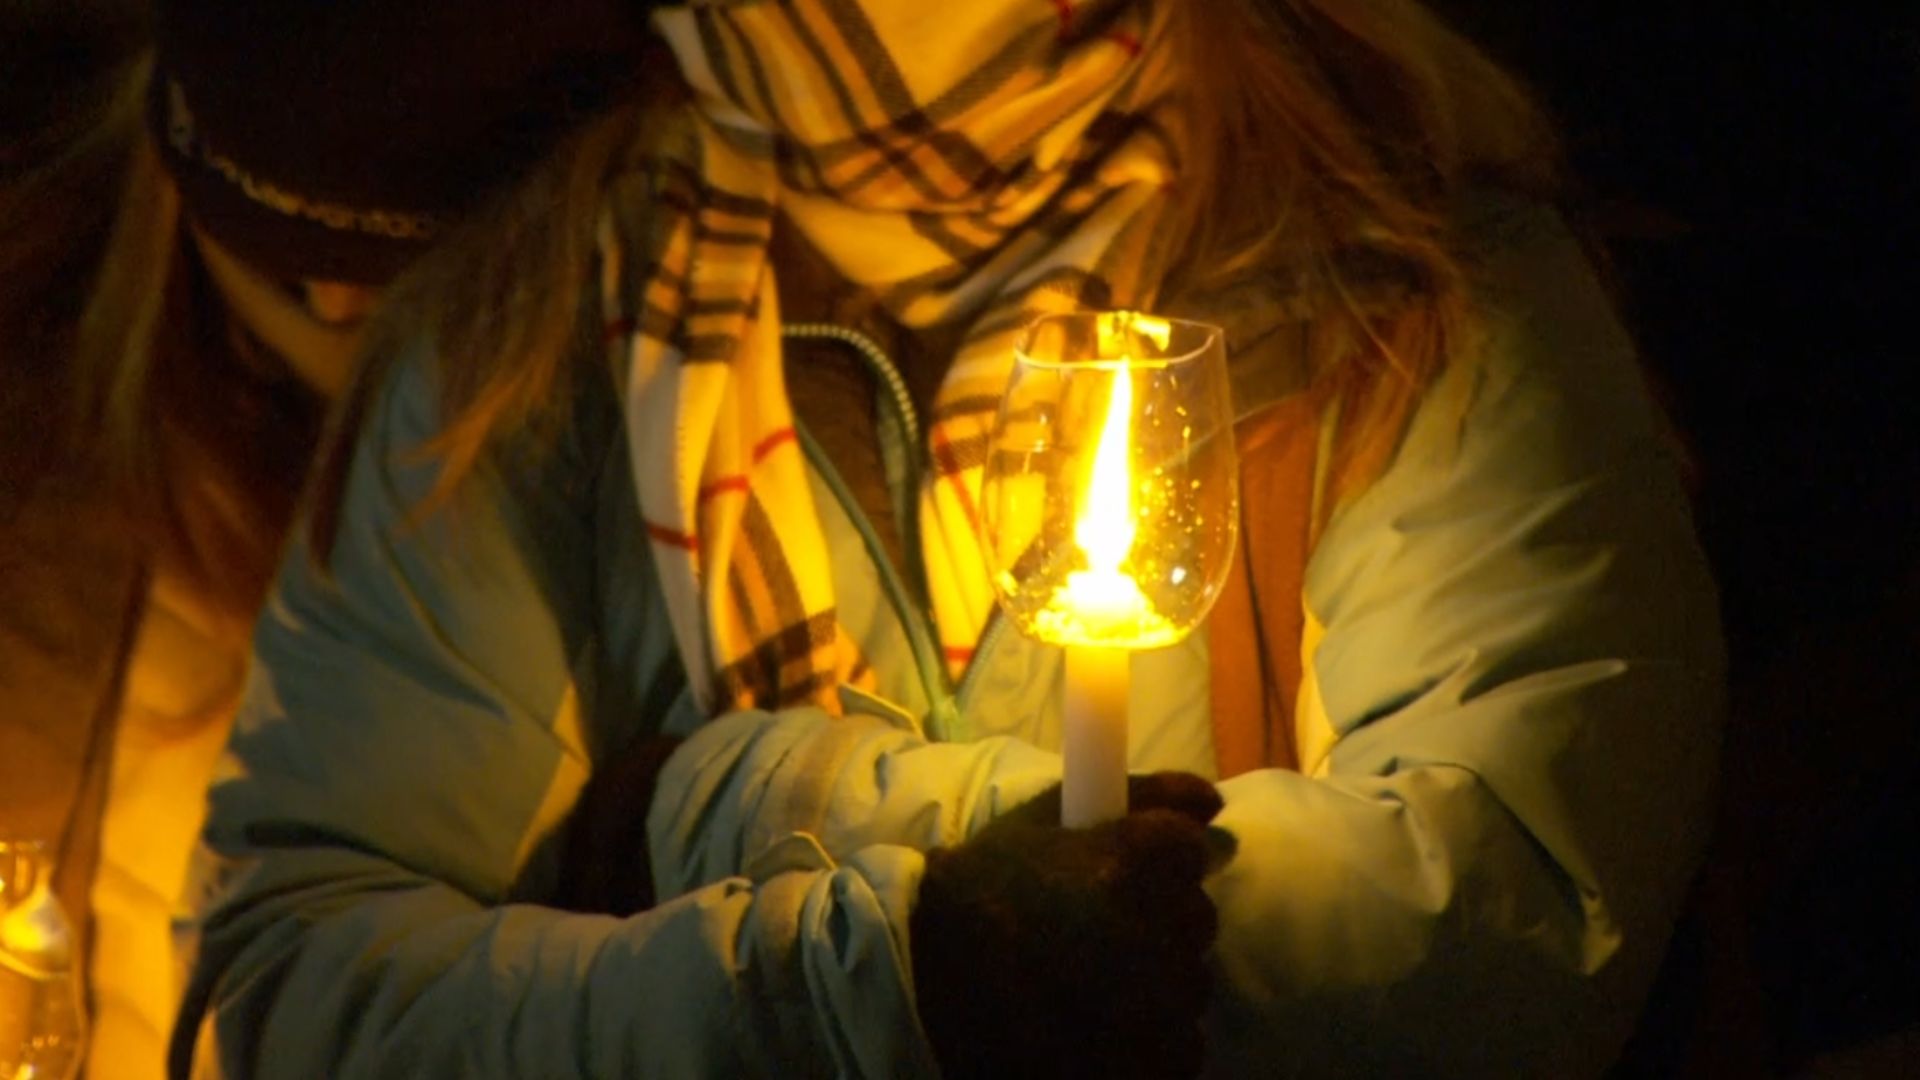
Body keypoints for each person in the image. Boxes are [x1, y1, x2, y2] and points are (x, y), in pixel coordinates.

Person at [169, 0, 1724, 1076]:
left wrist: (725, 807)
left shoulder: (1412, 288)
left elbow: (1500, 941)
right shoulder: (541, 317)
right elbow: (301, 988)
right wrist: (881, 981)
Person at [0, 2, 652, 1076]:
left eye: (397, 256)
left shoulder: (648, 526)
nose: (340, 300)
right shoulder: (56, 436)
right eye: (281, 263)